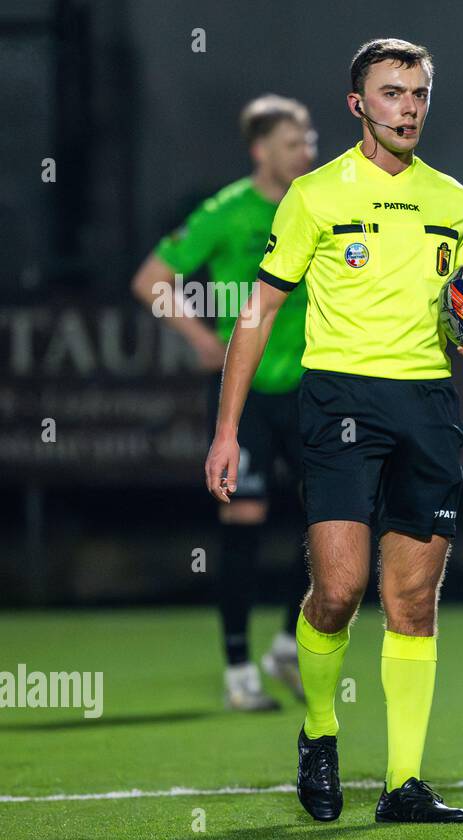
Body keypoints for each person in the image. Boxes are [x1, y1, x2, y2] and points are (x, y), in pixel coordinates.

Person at [204, 38, 463, 824]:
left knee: (413, 601)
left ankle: (403, 785)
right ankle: (319, 733)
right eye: (391, 93)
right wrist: (227, 430)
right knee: (340, 591)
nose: (408, 107)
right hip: (341, 401)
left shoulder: (454, 201)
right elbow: (260, 311)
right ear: (358, 105)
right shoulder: (314, 194)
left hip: (427, 405)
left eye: (417, 93)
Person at [132, 95, 318, 711]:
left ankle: (288, 644)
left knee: (331, 520)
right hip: (250, 391)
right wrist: (200, 339)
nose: (307, 151)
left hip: (313, 384)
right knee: (245, 519)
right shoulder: (228, 211)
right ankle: (239, 668)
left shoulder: (319, 204)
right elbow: (151, 280)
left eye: (310, 141)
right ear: (261, 151)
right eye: (294, 143)